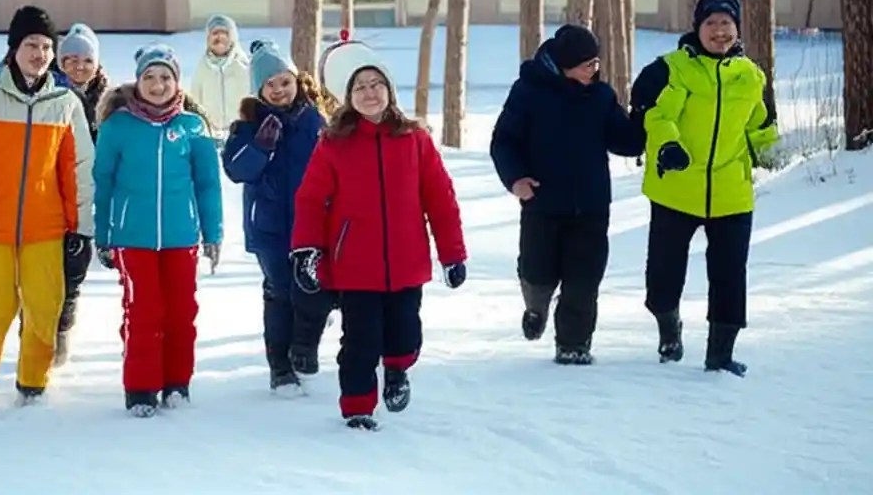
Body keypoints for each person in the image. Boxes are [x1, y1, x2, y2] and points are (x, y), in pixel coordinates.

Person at [291, 35, 467, 431]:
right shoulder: (333, 145)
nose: (370, 94)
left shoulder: (415, 140)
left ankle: (398, 369)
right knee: (359, 342)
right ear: (347, 96)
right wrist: (307, 250)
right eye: (360, 87)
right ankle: (357, 406)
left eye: (376, 85)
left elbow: (440, 198)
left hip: (407, 262)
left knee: (405, 333)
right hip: (354, 266)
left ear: (389, 88)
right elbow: (309, 200)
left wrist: (452, 253)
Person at [0, 5, 95, 407]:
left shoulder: (65, 102)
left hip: (46, 228)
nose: (39, 53)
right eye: (32, 44)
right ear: (14, 48)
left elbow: (80, 168)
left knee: (45, 306)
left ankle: (33, 384)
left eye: (46, 46)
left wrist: (82, 227)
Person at [629, 0, 778, 377]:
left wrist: (768, 145)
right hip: (676, 187)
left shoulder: (749, 74)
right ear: (697, 28)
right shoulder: (675, 68)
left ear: (737, 29)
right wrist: (668, 147)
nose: (719, 31)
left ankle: (721, 354)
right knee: (663, 272)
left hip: (731, 191)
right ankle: (669, 329)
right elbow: (658, 117)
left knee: (730, 274)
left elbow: (758, 121)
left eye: (726, 23)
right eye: (711, 23)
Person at [489, 24, 643, 365]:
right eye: (587, 64)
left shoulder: (600, 97)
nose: (594, 69)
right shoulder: (528, 92)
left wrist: (644, 114)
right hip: (541, 202)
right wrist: (515, 180)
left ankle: (573, 344)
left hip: (590, 204)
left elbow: (626, 141)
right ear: (564, 65)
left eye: (596, 63)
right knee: (537, 270)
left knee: (584, 279)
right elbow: (504, 141)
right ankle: (536, 306)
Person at [93, 44, 223, 418]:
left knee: (182, 311)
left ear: (176, 81)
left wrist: (212, 232)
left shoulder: (192, 127)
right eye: (149, 77)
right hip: (132, 237)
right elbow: (103, 181)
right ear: (138, 81)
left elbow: (207, 183)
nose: (157, 84)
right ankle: (141, 388)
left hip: (182, 237)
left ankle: (177, 383)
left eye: (165, 76)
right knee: (144, 311)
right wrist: (103, 234)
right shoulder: (118, 126)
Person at [222, 39, 333, 394]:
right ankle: (281, 366)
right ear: (259, 90)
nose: (279, 90)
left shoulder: (315, 120)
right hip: (269, 227)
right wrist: (260, 148)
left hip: (313, 223)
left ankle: (304, 349)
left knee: (314, 289)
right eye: (270, 84)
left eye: (284, 81)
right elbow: (237, 170)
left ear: (296, 80)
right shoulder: (247, 127)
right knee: (280, 291)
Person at [49, 22, 110, 368]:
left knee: (74, 270)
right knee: (42, 272)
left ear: (96, 63)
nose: (78, 67)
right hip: (50, 195)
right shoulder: (48, 94)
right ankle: (39, 331)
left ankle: (62, 330)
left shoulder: (111, 100)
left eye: (85, 60)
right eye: (69, 59)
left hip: (89, 197)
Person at [190, 14, 251, 136]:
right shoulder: (202, 68)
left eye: (225, 33)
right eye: (215, 33)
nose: (219, 37)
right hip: (210, 134)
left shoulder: (244, 67)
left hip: (240, 133)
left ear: (232, 38)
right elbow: (194, 101)